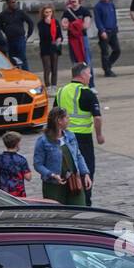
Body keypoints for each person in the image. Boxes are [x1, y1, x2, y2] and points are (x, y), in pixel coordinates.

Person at [56, 62, 103, 205]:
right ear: (82, 75)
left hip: (63, 138)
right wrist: (99, 135)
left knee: (66, 169)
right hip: (83, 138)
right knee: (86, 170)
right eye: (89, 73)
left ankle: (68, 200)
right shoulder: (87, 92)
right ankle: (85, 202)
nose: (90, 76)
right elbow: (97, 117)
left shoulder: (61, 91)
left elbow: (54, 115)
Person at [33, 107, 90, 205]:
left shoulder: (70, 136)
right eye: (66, 118)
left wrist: (85, 174)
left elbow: (78, 155)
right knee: (58, 214)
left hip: (73, 182)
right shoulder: (43, 141)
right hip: (54, 186)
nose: (69, 120)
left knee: (79, 210)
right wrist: (52, 175)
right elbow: (38, 164)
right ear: (59, 121)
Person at [61, 0, 93, 85]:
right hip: (72, 39)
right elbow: (63, 25)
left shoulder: (84, 11)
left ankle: (91, 84)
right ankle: (77, 83)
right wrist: (77, 24)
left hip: (83, 38)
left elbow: (86, 25)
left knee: (86, 61)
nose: (73, 0)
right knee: (75, 62)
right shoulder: (67, 12)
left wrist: (71, 25)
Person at [0, 0, 33, 70]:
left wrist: (28, 35)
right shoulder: (3, 14)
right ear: (8, 3)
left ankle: (26, 75)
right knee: (12, 59)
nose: (14, 4)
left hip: (20, 38)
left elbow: (30, 22)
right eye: (12, 2)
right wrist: (7, 31)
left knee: (22, 57)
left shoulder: (20, 12)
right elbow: (0, 25)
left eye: (15, 2)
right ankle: (16, 75)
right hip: (10, 39)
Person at [0, 131, 31, 197]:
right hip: (18, 193)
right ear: (17, 144)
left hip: (4, 193)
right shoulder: (21, 159)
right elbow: (28, 177)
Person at [93, 0, 120, 77]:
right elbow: (98, 20)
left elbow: (114, 17)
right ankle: (107, 71)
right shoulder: (98, 6)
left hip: (112, 31)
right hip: (104, 32)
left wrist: (115, 27)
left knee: (117, 50)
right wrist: (102, 31)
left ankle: (107, 65)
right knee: (105, 52)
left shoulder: (111, 4)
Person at [35, 4, 61, 88]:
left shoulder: (55, 22)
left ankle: (54, 85)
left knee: (54, 68)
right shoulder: (41, 24)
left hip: (54, 48)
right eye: (46, 12)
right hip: (45, 48)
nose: (48, 14)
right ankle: (48, 85)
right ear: (43, 13)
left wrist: (59, 39)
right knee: (47, 68)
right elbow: (44, 35)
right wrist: (48, 24)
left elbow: (59, 34)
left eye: (50, 12)